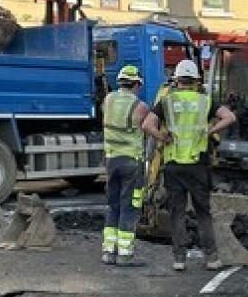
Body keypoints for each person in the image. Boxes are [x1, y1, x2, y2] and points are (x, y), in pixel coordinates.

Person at [155, 59, 235, 272]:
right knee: (203, 212)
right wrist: (210, 131)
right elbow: (229, 117)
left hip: (173, 165)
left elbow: (146, 124)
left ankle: (179, 259)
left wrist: (162, 137)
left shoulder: (167, 102)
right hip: (197, 165)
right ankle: (211, 257)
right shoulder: (205, 101)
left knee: (177, 213)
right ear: (197, 80)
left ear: (177, 80)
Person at [101, 64, 165, 266]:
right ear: (136, 84)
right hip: (131, 163)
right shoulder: (140, 107)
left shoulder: (107, 100)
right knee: (130, 207)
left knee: (113, 206)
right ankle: (125, 254)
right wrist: (164, 136)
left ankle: (108, 251)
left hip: (111, 160)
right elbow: (149, 130)